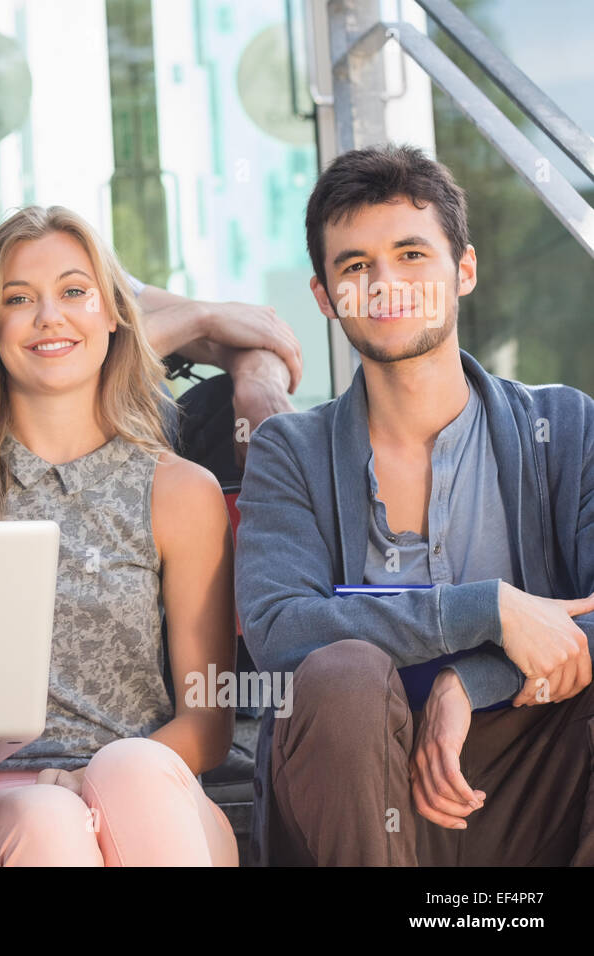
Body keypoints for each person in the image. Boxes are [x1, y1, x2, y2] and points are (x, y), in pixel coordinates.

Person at [235, 144, 594, 866]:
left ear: (463, 269)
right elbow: (280, 632)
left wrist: (469, 682)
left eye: (411, 255)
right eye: (355, 265)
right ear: (325, 295)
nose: (385, 284)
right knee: (338, 678)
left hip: (535, 775)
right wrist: (485, 607)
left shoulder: (567, 428)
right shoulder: (289, 451)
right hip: (356, 795)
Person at [0, 205, 239, 866]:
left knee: (128, 772)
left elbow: (209, 720)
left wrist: (91, 780)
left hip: (150, 788)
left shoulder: (182, 491)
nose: (50, 317)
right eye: (19, 299)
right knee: (48, 822)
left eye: (75, 292)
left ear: (113, 315)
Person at [0, 61, 302, 467]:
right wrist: (200, 317)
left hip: (70, 490)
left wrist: (256, 383)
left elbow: (243, 330)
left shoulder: (22, 253)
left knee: (217, 409)